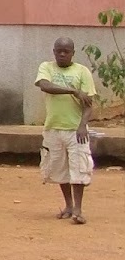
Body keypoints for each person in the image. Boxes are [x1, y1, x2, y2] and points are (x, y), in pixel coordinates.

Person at [34, 37, 97, 225]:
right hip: (53, 127)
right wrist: (73, 91)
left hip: (75, 129)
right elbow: (45, 85)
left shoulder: (82, 72)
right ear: (54, 51)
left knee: (78, 168)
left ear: (73, 53)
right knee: (60, 169)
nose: (62, 54)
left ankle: (78, 208)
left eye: (66, 51)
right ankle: (68, 205)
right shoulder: (46, 67)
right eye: (59, 51)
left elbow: (88, 104)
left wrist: (82, 125)